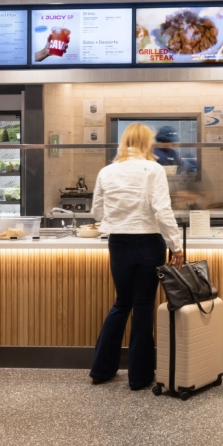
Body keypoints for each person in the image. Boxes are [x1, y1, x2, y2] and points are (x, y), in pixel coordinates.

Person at [89, 123, 184, 390]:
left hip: (117, 242)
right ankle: (139, 377)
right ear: (146, 143)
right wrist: (175, 245)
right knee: (142, 306)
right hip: (147, 243)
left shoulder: (106, 171)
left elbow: (97, 211)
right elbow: (162, 209)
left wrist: (118, 216)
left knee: (121, 303)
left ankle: (101, 369)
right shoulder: (153, 169)